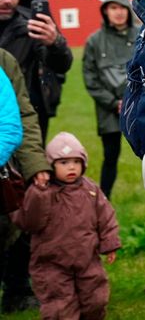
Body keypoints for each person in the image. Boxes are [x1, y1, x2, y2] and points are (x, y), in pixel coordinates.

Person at [12, 131, 120, 320]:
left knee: (96, 300)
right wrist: (39, 193)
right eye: (63, 163)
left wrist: (110, 243)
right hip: (51, 263)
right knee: (60, 307)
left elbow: (106, 217)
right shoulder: (42, 192)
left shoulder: (91, 190)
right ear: (51, 165)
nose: (71, 167)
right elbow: (29, 222)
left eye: (76, 162)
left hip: (88, 259)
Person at [82, 0, 145, 201]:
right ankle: (104, 200)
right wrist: (114, 103)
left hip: (141, 107)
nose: (118, 13)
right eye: (113, 8)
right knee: (110, 156)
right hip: (109, 109)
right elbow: (90, 79)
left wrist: (137, 100)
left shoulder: (142, 34)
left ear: (128, 11)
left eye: (122, 7)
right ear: (105, 12)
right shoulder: (94, 41)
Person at [0, 0, 73, 143]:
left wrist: (54, 42)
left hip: (25, 116)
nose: (7, 0)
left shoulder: (31, 27)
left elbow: (61, 65)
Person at [0, 49, 50, 312]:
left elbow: (22, 115)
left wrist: (34, 165)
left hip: (4, 164)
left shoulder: (4, 60)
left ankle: (16, 292)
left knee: (15, 229)